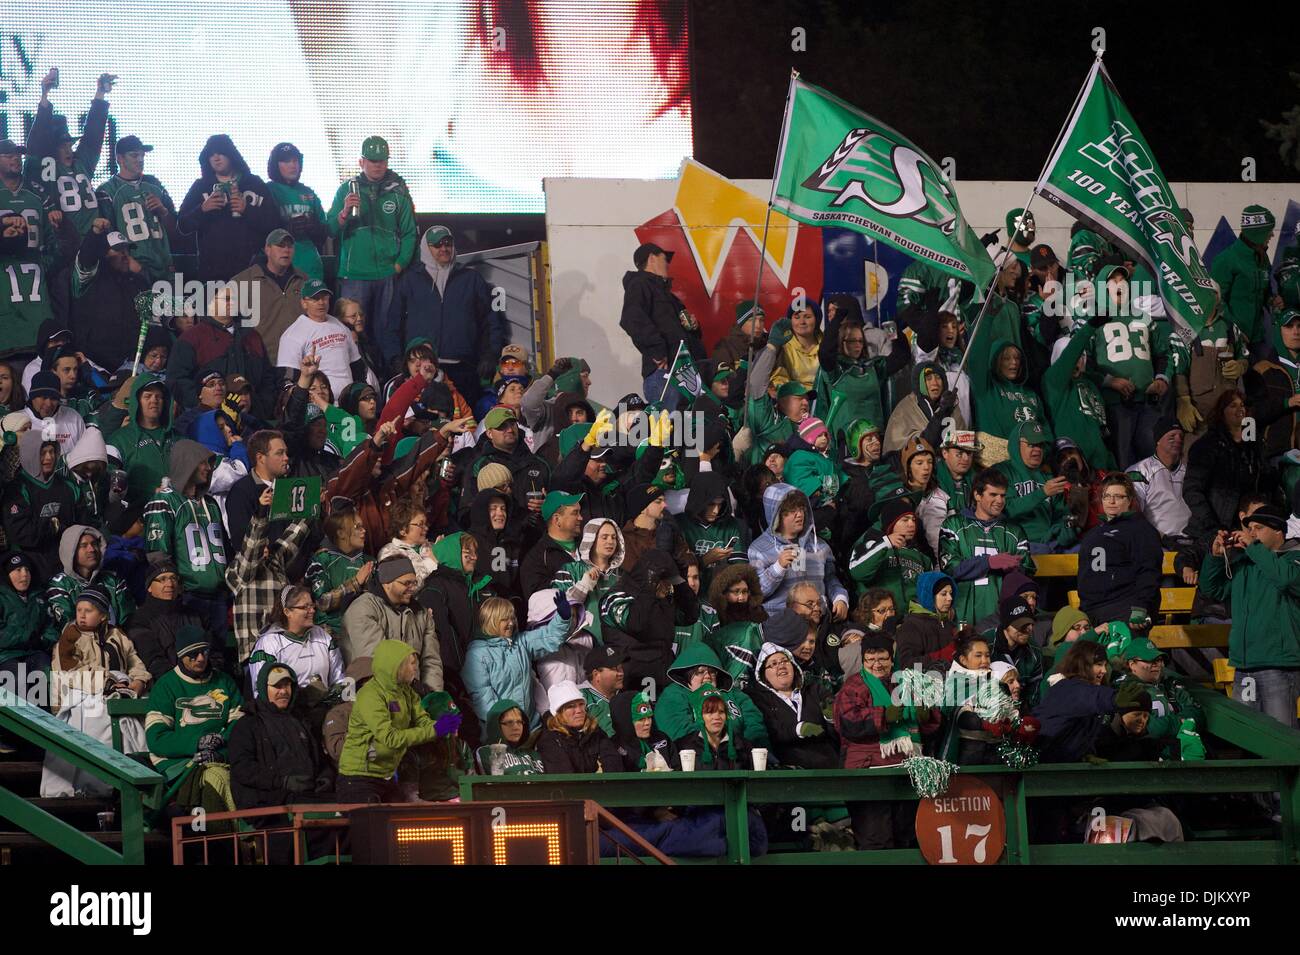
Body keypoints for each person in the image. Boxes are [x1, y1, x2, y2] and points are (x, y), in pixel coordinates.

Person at [834, 633, 942, 849]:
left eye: (882, 658)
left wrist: (926, 714)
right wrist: (884, 715)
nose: (876, 664)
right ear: (863, 660)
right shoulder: (854, 685)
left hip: (906, 771)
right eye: (870, 659)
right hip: (868, 772)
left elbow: (931, 723)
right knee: (876, 839)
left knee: (908, 838)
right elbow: (848, 724)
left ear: (891, 659)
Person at [1198, 505, 1300, 728]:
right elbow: (1211, 589)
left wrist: (1253, 548)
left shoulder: (1294, 559)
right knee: (1246, 735)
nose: (1251, 533)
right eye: (1250, 528)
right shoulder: (1247, 564)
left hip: (1279, 665)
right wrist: (1215, 557)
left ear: (1279, 532)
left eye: (1259, 528)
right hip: (1244, 665)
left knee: (1282, 737)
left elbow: (1285, 580)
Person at [228, 662, 335, 862]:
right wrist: (282, 782)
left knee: (342, 810)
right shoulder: (247, 725)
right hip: (269, 805)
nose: (283, 691)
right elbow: (243, 769)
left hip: (305, 798)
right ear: (263, 689)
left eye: (287, 686)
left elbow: (320, 762)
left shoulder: (301, 722)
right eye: (277, 686)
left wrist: (325, 779)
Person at [386, 225, 504, 403]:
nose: (444, 248)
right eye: (437, 245)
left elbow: (490, 321)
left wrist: (490, 355)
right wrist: (395, 358)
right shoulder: (410, 280)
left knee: (465, 424)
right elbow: (393, 323)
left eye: (447, 243)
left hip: (464, 371)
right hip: (422, 371)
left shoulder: (471, 279)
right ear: (426, 248)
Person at [327, 136, 417, 344]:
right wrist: (344, 212)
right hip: (355, 274)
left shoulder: (398, 191)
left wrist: (399, 264)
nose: (378, 166)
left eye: (382, 161)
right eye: (373, 161)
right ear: (362, 162)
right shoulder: (347, 189)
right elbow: (330, 228)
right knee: (351, 333)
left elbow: (410, 232)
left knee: (386, 332)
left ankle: (385, 375)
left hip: (387, 274)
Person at [144, 631, 244, 815]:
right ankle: (234, 838)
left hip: (223, 757)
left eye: (204, 652)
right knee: (216, 779)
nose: (200, 658)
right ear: (181, 656)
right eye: (193, 654)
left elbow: (240, 726)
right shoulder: (166, 686)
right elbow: (156, 739)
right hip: (179, 763)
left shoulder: (224, 681)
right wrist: (196, 743)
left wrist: (221, 746)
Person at [143, 439, 231, 643]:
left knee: (218, 655)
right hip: (188, 596)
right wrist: (175, 590)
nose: (209, 468)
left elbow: (225, 548)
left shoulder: (211, 504)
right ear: (186, 463)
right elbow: (158, 555)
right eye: (203, 463)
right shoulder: (164, 501)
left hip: (218, 596)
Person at [335, 639, 440, 803]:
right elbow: (390, 738)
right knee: (373, 825)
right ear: (396, 666)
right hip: (358, 778)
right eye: (410, 663)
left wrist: (444, 726)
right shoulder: (371, 694)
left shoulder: (407, 692)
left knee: (396, 824)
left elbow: (422, 720)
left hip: (387, 776)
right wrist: (435, 730)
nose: (415, 667)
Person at [177, 134, 282, 282]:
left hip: (252, 272)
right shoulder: (200, 186)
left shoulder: (254, 183)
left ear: (231, 154)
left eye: (220, 152)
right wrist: (202, 210)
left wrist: (247, 209)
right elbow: (182, 225)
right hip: (213, 275)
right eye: (211, 154)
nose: (216, 158)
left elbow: (275, 224)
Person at [938, 468, 1034, 626]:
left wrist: (1014, 569)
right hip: (962, 611)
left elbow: (1027, 570)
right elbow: (949, 567)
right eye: (993, 495)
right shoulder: (953, 525)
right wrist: (987, 563)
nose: (1000, 500)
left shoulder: (1015, 531)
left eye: (1003, 495)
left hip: (1003, 615)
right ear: (977, 495)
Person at [24, 68, 111, 239]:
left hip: (94, 239)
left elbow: (94, 134)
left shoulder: (82, 163)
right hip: (66, 242)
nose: (68, 150)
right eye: (62, 146)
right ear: (51, 149)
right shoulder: (46, 169)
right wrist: (44, 96)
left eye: (70, 145)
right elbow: (38, 138)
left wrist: (100, 93)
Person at [600, 549, 700, 695]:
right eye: (663, 579)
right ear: (649, 577)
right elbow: (637, 624)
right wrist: (650, 585)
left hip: (662, 679)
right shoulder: (615, 597)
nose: (668, 586)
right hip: (629, 685)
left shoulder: (661, 598)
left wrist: (678, 581)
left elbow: (690, 615)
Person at [463, 592, 571, 727]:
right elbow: (482, 698)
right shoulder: (477, 655)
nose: (511, 623)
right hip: (502, 732)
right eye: (504, 619)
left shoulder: (520, 642)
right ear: (491, 621)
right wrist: (507, 725)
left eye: (512, 618)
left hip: (531, 726)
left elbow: (549, 637)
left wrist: (562, 617)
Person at [618, 242, 705, 410]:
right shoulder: (640, 284)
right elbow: (631, 318)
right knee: (671, 431)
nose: (668, 265)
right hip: (666, 375)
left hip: (685, 374)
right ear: (652, 258)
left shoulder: (668, 296)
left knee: (688, 431)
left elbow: (683, 330)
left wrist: (694, 327)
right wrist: (657, 350)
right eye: (665, 259)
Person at [1033, 641, 1147, 763]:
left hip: (1059, 763)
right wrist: (1114, 699)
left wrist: (1085, 754)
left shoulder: (1083, 690)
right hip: (1041, 763)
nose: (1104, 670)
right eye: (1098, 664)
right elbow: (1093, 696)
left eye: (1105, 665)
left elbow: (1081, 729)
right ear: (1082, 665)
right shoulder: (1068, 688)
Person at [342, 556, 443, 694]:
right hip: (373, 696)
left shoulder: (421, 613)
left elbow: (431, 661)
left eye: (414, 583)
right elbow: (377, 661)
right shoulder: (363, 608)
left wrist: (434, 697)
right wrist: (414, 691)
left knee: (449, 714)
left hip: (414, 697)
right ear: (387, 582)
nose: (412, 588)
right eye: (406, 583)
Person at [749, 482, 850, 618]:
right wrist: (778, 568)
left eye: (801, 508)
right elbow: (756, 594)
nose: (800, 514)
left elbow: (831, 578)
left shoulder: (819, 546)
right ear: (776, 514)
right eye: (791, 510)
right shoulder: (758, 549)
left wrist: (840, 597)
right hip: (781, 623)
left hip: (817, 620)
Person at [1077, 473, 1163, 625]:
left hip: (1125, 607)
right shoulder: (1092, 534)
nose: (1111, 501)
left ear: (1129, 500)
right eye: (1107, 496)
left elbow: (1148, 571)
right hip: (1091, 609)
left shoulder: (1141, 530)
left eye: (1118, 496)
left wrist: (1141, 607)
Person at [815, 307, 909, 443]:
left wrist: (891, 329)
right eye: (852, 341)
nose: (858, 345)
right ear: (842, 342)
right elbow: (824, 352)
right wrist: (837, 318)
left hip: (876, 438)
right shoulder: (835, 369)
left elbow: (901, 357)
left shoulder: (873, 367)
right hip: (846, 440)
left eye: (860, 341)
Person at [1183, 390, 1266, 544]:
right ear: (1221, 412)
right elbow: (1191, 490)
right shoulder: (1206, 445)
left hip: (1243, 530)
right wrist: (1212, 525)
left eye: (1242, 405)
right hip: (1211, 531)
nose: (1240, 409)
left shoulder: (1253, 447)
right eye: (1233, 405)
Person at [67, 228, 153, 375]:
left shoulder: (137, 281)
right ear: (104, 254)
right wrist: (94, 233)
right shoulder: (90, 279)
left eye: (127, 250)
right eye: (118, 250)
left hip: (130, 363)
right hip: (94, 362)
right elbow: (86, 257)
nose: (125, 255)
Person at [651, 640, 768, 747]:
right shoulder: (673, 694)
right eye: (700, 672)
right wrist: (727, 740)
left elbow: (756, 727)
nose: (707, 676)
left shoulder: (734, 694)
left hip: (741, 757)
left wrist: (746, 749)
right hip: (693, 760)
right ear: (687, 674)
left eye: (712, 672)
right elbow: (679, 732)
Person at [246, 583, 345, 708]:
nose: (312, 611)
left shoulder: (323, 637)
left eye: (312, 606)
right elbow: (260, 692)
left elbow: (339, 679)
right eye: (305, 607)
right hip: (286, 716)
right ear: (287, 612)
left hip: (323, 712)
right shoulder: (268, 643)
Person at [97, 134, 179, 283]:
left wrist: (163, 211)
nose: (140, 160)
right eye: (134, 155)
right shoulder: (107, 190)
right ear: (120, 159)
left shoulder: (155, 186)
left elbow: (175, 230)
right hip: (132, 270)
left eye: (142, 155)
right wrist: (126, 259)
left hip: (164, 268)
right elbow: (108, 233)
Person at [49, 585, 148, 708]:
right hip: (77, 701)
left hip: (117, 693)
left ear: (103, 616)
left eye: (88, 611)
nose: (82, 615)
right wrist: (107, 683)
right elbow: (70, 674)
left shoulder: (117, 635)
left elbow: (134, 662)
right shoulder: (69, 637)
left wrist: (139, 681)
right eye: (79, 610)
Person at [0, 137, 55, 357]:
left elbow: (52, 242)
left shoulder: (37, 195)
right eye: (9, 154)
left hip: (36, 276)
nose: (16, 158)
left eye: (18, 154)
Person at [1111, 637, 1205, 760]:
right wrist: (1181, 723)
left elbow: (1197, 714)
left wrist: (1167, 725)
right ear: (1132, 664)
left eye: (1159, 660)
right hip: (1145, 755)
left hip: (1178, 748)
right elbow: (1145, 729)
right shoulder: (1124, 688)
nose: (1156, 664)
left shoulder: (1170, 684)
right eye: (1149, 660)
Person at [747, 642, 838, 769]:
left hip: (826, 766)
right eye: (773, 664)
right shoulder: (758, 699)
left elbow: (836, 733)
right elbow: (771, 731)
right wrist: (798, 729)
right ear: (763, 674)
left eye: (785, 660)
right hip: (787, 769)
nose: (781, 666)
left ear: (794, 667)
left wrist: (831, 720)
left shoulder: (816, 691)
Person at [2, 432, 78, 582]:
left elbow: (80, 524)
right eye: (42, 453)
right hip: (31, 569)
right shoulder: (17, 489)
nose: (49, 457)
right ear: (30, 454)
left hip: (67, 565)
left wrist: (52, 527)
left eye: (52, 452)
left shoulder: (69, 486)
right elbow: (22, 534)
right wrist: (54, 526)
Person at [229, 229, 310, 367]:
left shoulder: (304, 281)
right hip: (261, 362)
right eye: (280, 245)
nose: (286, 250)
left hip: (300, 360)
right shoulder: (243, 281)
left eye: (289, 246)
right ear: (268, 249)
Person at [993, 418, 1075, 554]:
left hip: (1049, 543)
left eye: (1040, 445)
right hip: (1015, 543)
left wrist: (1066, 529)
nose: (1037, 450)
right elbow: (1006, 509)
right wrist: (1042, 492)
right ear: (1017, 444)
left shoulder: (1048, 477)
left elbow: (1061, 514)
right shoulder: (1002, 471)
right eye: (1032, 444)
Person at [275, 280, 366, 402]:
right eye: (315, 299)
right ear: (304, 303)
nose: (321, 302)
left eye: (324, 298)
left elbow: (357, 365)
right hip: (317, 403)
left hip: (348, 401)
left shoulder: (340, 326)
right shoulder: (292, 335)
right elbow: (287, 381)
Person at [104, 374, 178, 510]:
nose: (154, 400)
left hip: (179, 512)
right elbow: (109, 483)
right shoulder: (118, 439)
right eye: (147, 396)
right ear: (137, 401)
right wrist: (149, 494)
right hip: (138, 515)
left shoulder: (178, 438)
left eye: (159, 396)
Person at [1210, 205, 1278, 354]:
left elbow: (1264, 291)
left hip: (1258, 338)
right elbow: (1216, 302)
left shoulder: (1262, 256)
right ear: (1257, 233)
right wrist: (1236, 331)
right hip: (1234, 341)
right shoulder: (1226, 260)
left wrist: (1272, 300)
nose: (1272, 235)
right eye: (1268, 231)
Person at [127, 560, 208, 682]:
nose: (170, 584)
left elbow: (213, 653)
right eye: (162, 579)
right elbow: (153, 660)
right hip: (166, 684)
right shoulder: (139, 619)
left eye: (173, 578)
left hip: (202, 681)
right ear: (149, 587)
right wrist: (181, 681)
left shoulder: (195, 615)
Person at [847, 497, 932, 612]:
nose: (912, 524)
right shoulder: (871, 545)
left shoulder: (921, 555)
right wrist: (886, 543)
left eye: (913, 520)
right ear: (891, 523)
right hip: (879, 620)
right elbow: (857, 572)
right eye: (905, 520)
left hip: (914, 622)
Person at [45, 524, 133, 633]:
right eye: (84, 545)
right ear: (70, 551)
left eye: (94, 544)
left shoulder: (113, 580)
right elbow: (67, 627)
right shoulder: (60, 585)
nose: (91, 549)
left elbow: (129, 620)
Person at [552, 518, 626, 645]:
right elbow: (558, 613)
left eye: (614, 537)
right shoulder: (569, 570)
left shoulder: (623, 576)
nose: (610, 541)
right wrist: (583, 586)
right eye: (604, 537)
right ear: (591, 539)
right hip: (580, 649)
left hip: (618, 650)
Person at [264, 143, 329, 284]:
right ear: (276, 165)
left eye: (295, 160)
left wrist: (314, 227)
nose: (293, 165)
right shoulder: (267, 191)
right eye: (286, 161)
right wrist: (285, 229)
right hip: (279, 269)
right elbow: (260, 229)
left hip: (311, 268)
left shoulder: (308, 193)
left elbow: (324, 234)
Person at [306, 508, 373, 635]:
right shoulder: (322, 560)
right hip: (332, 635)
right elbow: (322, 602)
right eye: (357, 527)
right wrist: (355, 583)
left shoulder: (369, 561)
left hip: (364, 631)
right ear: (341, 533)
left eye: (363, 526)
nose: (364, 531)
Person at [536, 682, 624, 773]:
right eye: (571, 707)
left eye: (581, 704)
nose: (579, 711)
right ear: (558, 713)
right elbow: (564, 779)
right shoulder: (549, 740)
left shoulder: (596, 732)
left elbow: (613, 768)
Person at [883, 360, 964, 457]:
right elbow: (919, 445)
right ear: (919, 383)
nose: (935, 383)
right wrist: (942, 412)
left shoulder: (951, 405)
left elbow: (963, 442)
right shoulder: (906, 409)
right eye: (928, 379)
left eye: (938, 378)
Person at [917, 430, 979, 554]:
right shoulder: (931, 482)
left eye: (969, 453)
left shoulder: (977, 481)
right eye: (959, 453)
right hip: (940, 549)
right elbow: (934, 535)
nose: (966, 458)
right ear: (945, 453)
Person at [1130, 416, 1191, 539]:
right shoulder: (1139, 471)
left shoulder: (1190, 472)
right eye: (1172, 436)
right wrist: (1160, 537)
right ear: (1158, 440)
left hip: (1190, 543)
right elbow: (1133, 514)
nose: (1178, 440)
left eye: (1181, 436)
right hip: (1154, 543)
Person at [519, 490, 584, 599]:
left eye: (580, 512)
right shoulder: (537, 558)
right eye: (575, 513)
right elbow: (539, 601)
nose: (581, 518)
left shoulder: (590, 547)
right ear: (557, 519)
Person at [892, 570, 960, 673]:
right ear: (928, 595)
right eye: (943, 594)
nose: (950, 598)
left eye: (950, 593)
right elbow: (907, 666)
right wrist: (942, 655)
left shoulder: (950, 625)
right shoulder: (910, 626)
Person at [0, 552, 51, 687]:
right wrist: (27, 637)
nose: (24, 575)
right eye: (18, 570)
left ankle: (46, 709)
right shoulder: (2, 597)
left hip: (34, 652)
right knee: (17, 679)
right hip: (5, 656)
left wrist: (42, 640)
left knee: (47, 674)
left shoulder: (38, 597)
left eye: (27, 570)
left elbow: (50, 627)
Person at [989, 596, 1045, 709]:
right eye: (1020, 625)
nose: (1027, 630)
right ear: (1006, 624)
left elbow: (1034, 695)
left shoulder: (1035, 651)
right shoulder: (984, 646)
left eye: (1029, 624)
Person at [609, 689, 679, 772]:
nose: (647, 723)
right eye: (641, 719)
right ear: (626, 722)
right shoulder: (614, 746)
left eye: (649, 717)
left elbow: (677, 769)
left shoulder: (662, 739)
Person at [377, 497, 438, 587]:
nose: (426, 528)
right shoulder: (390, 553)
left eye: (425, 524)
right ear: (403, 530)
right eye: (420, 524)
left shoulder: (431, 546)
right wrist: (432, 560)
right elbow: (408, 587)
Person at [474, 699, 545, 776]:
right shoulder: (487, 752)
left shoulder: (534, 755)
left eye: (519, 722)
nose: (516, 727)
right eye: (509, 722)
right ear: (496, 725)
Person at [22, 371, 85, 456]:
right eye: (44, 397)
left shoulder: (73, 417)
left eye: (54, 398)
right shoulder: (17, 421)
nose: (48, 404)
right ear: (33, 397)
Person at [579, 643, 627, 738]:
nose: (621, 673)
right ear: (596, 674)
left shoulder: (627, 692)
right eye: (614, 669)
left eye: (620, 667)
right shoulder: (579, 696)